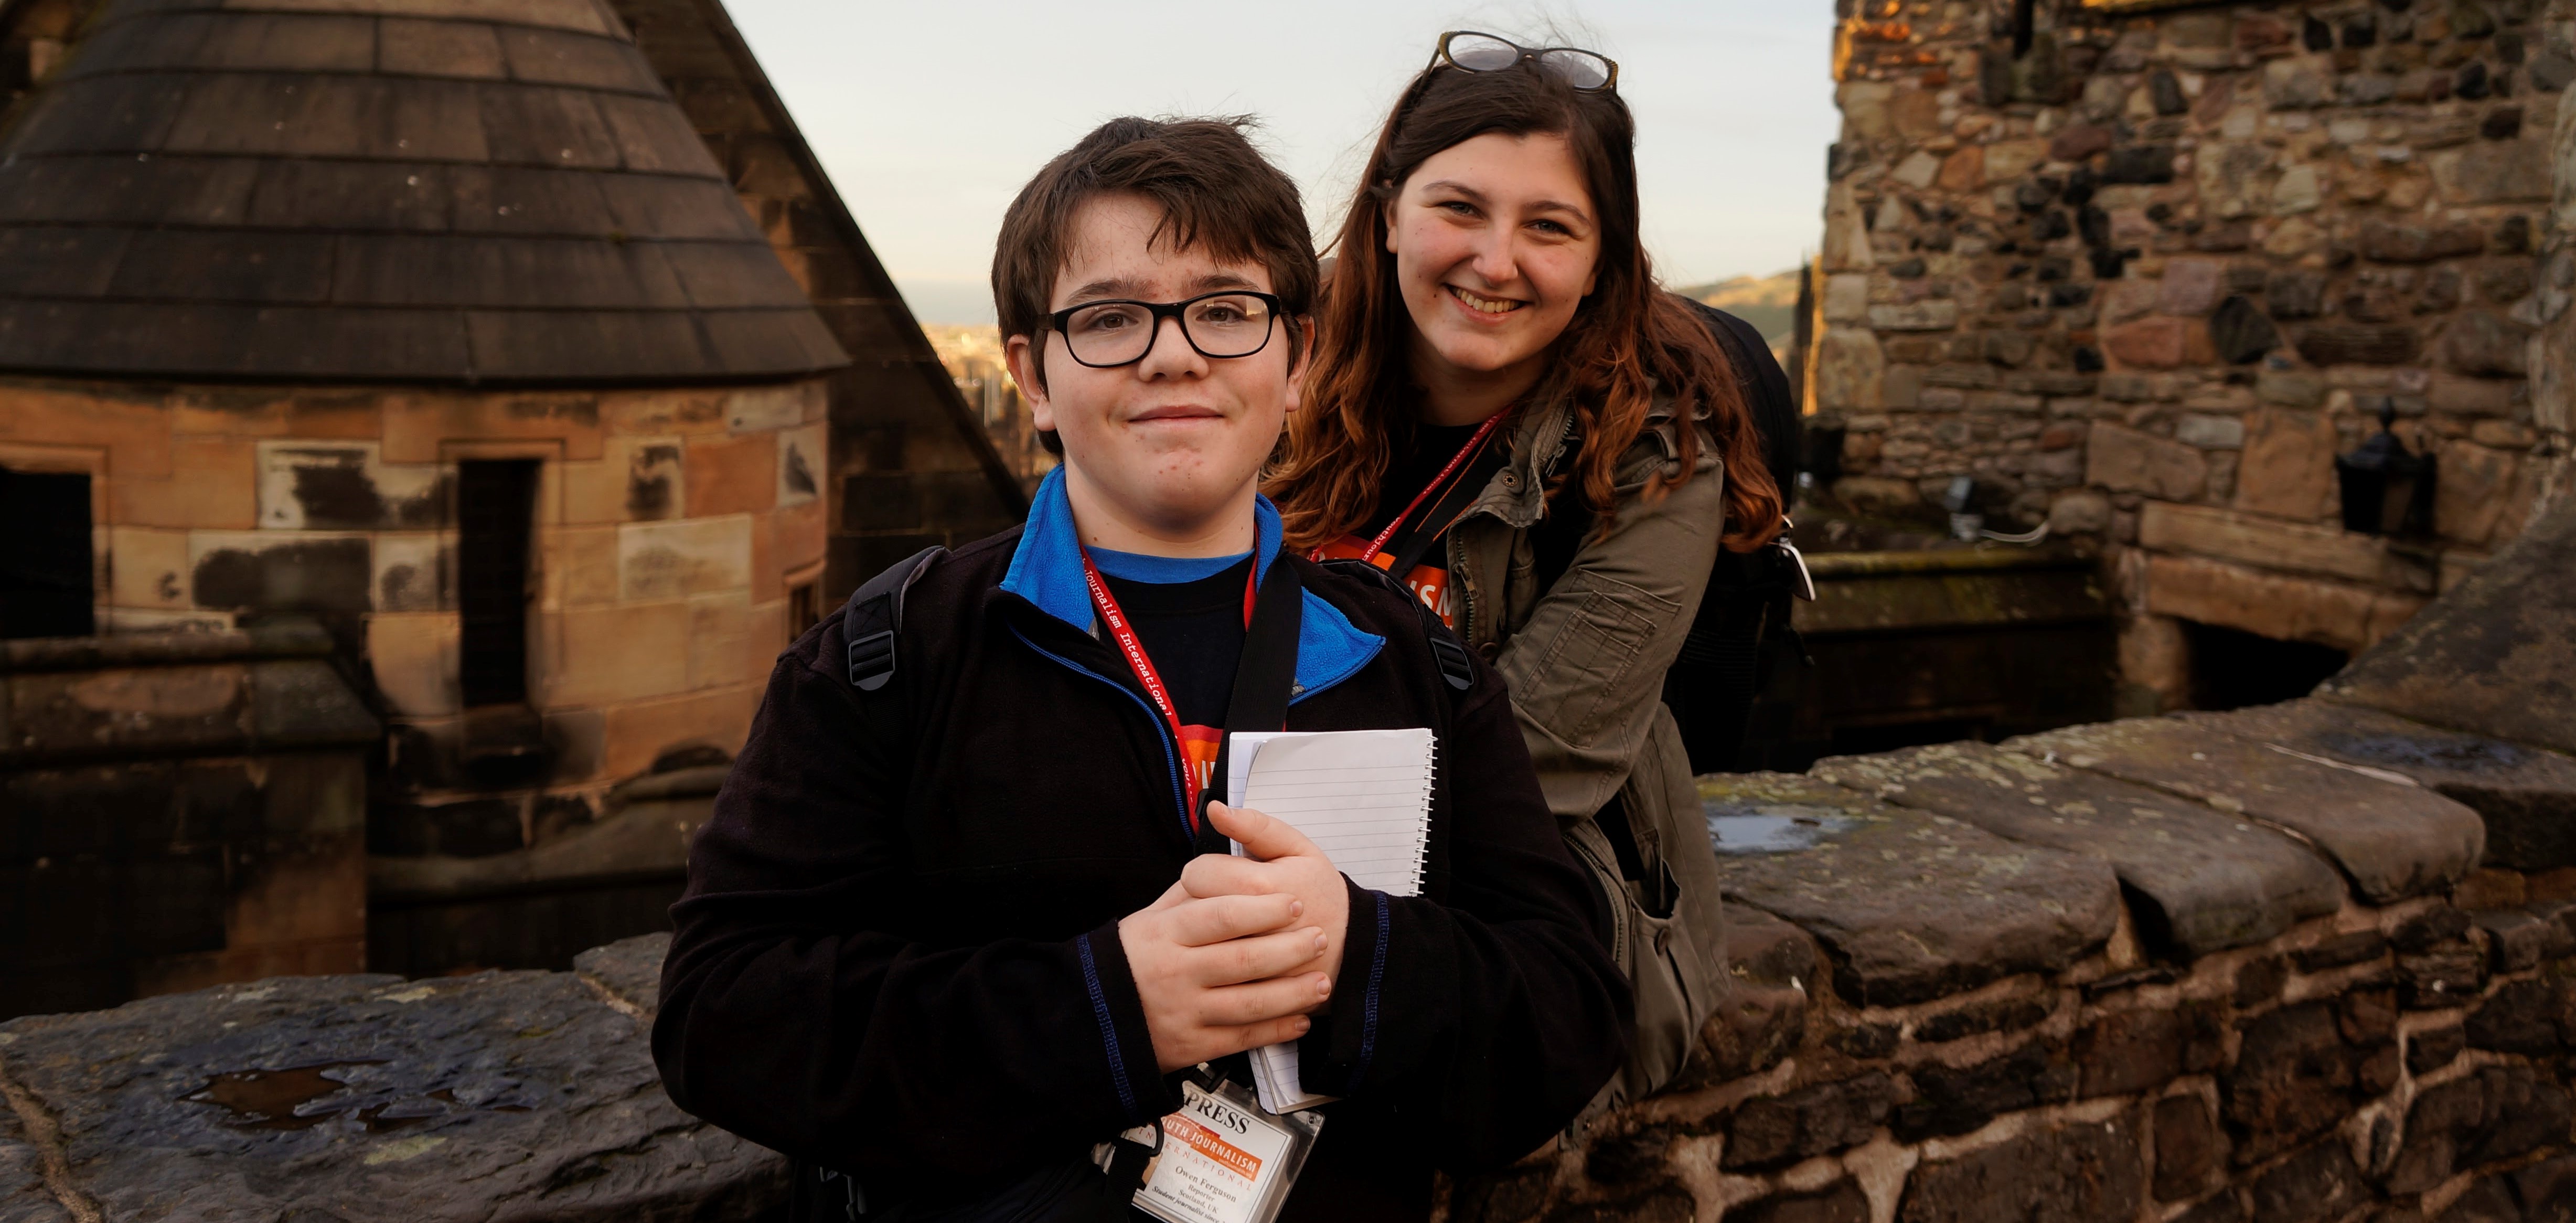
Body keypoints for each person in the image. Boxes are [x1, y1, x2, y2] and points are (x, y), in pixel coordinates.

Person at [653, 115, 1628, 1223]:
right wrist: (1110, 1009)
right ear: (1030, 374)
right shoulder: (888, 656)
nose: (1174, 352)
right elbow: (720, 1017)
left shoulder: (1414, 660)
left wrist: (1354, 957)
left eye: (1225, 310)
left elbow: (1563, 1020)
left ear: (1297, 359)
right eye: (1111, 317)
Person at [1266, 31, 1789, 1109]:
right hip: (1261, 851)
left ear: (1602, 258)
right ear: (1386, 210)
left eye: (1547, 227)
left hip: (1518, 887)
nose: (1495, 261)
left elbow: (1536, 747)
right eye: (1458, 208)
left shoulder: (1655, 443)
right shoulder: (1273, 363)